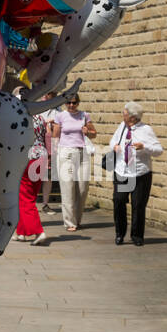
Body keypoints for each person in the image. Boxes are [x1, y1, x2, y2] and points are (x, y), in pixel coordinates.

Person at [108, 102, 163, 247]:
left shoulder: (146, 130)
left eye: (125, 113)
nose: (122, 115)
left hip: (140, 173)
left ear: (132, 117)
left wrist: (144, 147)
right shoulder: (122, 126)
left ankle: (137, 236)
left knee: (138, 205)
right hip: (122, 171)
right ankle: (120, 234)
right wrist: (114, 146)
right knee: (118, 201)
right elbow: (112, 141)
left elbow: (159, 150)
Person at [51, 93, 96, 231]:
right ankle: (69, 222)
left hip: (82, 153)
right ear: (65, 103)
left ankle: (77, 219)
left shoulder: (84, 115)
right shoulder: (61, 116)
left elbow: (94, 133)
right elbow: (55, 136)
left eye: (74, 103)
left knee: (82, 189)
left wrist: (87, 131)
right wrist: (54, 154)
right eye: (69, 103)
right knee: (68, 188)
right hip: (66, 153)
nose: (71, 105)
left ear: (78, 103)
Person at [16, 105, 50, 245]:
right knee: (31, 195)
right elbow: (47, 137)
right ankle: (21, 232)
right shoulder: (41, 118)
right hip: (41, 156)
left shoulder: (19, 119)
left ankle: (38, 231)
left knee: (24, 198)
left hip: (27, 157)